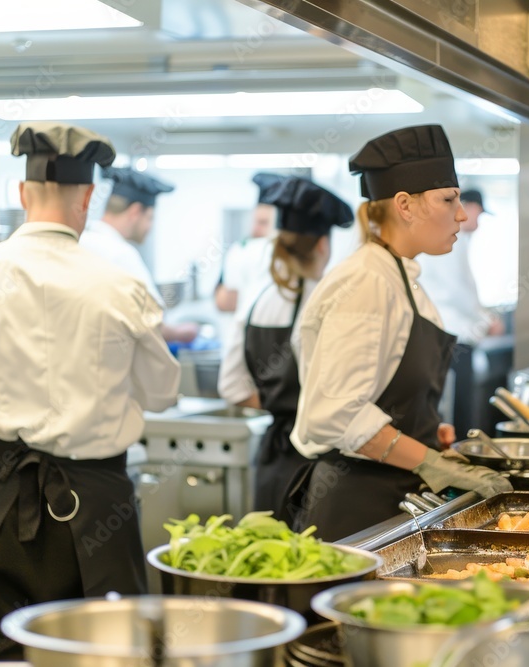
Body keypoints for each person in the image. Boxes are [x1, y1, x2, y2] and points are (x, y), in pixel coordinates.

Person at [0, 122, 181, 660]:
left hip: (5, 505)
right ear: (89, 198)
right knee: (112, 653)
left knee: (5, 655)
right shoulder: (123, 289)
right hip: (102, 505)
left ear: (22, 194)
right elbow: (162, 392)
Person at [289, 124, 512, 541]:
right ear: (405, 206)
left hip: (391, 496)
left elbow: (381, 392)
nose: (461, 214)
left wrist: (424, 428)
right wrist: (428, 460)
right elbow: (336, 411)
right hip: (356, 506)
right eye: (449, 199)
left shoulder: (400, 277)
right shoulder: (366, 282)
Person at [217, 176, 353, 525]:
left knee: (270, 557)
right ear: (323, 245)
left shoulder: (255, 300)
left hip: (273, 456)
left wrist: (278, 404)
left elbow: (231, 388)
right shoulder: (330, 302)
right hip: (320, 460)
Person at [416, 188, 505, 431]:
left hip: (452, 336)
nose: (476, 221)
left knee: (456, 408)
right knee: (455, 410)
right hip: (451, 337)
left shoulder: (456, 241)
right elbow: (458, 292)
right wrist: (487, 321)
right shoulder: (448, 242)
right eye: (478, 213)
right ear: (467, 208)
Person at [79, 165, 199, 344]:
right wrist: (181, 333)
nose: (150, 227)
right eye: (150, 218)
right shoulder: (120, 254)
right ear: (135, 212)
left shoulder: (81, 240)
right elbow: (154, 322)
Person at [213, 172, 283, 315]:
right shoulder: (240, 249)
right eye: (255, 221)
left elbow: (226, 302)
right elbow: (223, 302)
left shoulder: (243, 250)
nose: (256, 228)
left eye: (263, 223)